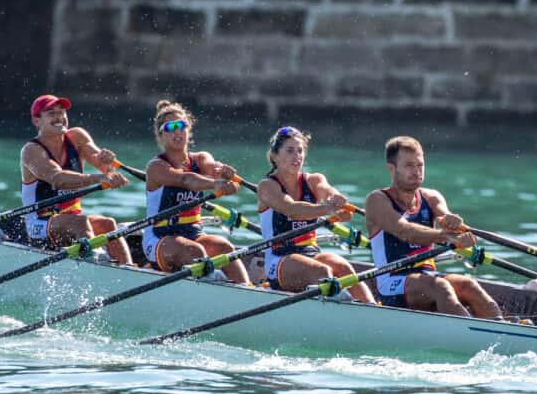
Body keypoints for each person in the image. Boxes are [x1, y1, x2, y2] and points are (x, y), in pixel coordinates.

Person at [364, 136, 501, 318]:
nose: (416, 171)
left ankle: (503, 330)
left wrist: (452, 224)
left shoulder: (431, 197)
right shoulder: (377, 200)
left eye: (420, 165)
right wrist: (446, 236)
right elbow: (404, 231)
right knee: (440, 286)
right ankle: (468, 332)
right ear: (391, 168)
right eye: (409, 165)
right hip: (391, 282)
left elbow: (444, 218)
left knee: (469, 285)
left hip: (428, 277)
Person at [256, 126, 375, 303]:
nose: (297, 156)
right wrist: (328, 209)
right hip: (279, 259)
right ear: (275, 156)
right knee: (322, 272)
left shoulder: (314, 180)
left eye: (300, 151)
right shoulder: (267, 186)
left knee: (344, 269)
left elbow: (338, 205)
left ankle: (372, 309)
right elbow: (292, 210)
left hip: (311, 252)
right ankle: (346, 308)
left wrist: (337, 201)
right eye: (290, 151)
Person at [142, 100, 250, 284]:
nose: (177, 131)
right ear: (161, 135)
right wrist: (216, 184)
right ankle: (213, 284)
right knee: (195, 252)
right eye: (170, 127)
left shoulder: (201, 158)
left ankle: (247, 290)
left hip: (193, 232)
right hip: (159, 236)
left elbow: (213, 168)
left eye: (181, 125)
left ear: (189, 128)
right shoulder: (156, 167)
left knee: (225, 248)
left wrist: (225, 175)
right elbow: (186, 180)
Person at [20, 94, 134, 264]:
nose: (59, 117)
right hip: (39, 223)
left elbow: (105, 169)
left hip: (71, 218)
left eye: (62, 112)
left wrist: (107, 162)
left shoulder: (77, 137)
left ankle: (128, 270)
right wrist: (99, 178)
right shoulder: (31, 151)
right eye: (51, 113)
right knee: (80, 223)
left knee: (108, 224)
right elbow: (57, 179)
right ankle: (95, 264)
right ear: (36, 121)